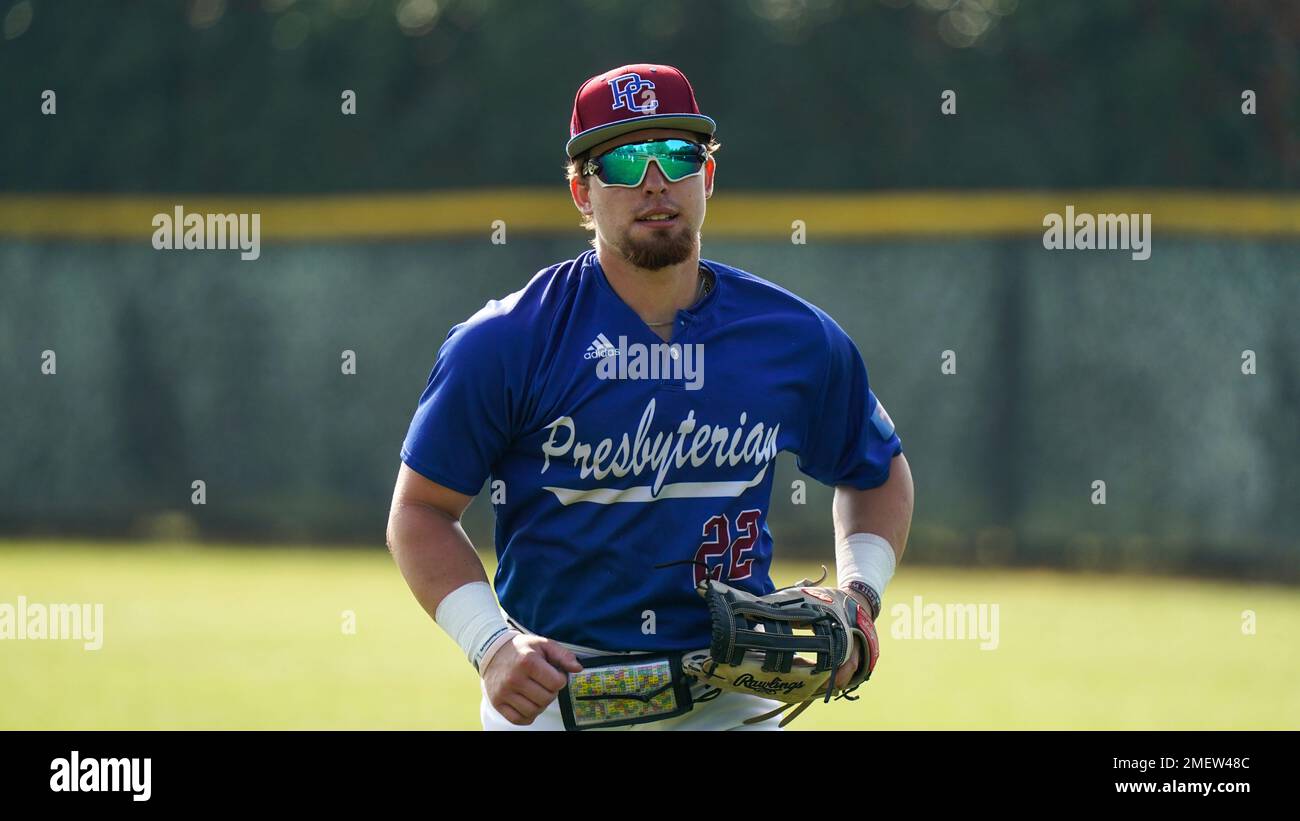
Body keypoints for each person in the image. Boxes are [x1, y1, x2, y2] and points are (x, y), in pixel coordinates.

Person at [386, 63, 914, 731]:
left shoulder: (794, 338)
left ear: (708, 178)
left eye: (677, 154)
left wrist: (859, 593)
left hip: (734, 695)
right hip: (558, 695)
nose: (655, 180)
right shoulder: (506, 341)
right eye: (625, 160)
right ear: (582, 190)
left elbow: (878, 472)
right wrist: (489, 643)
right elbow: (420, 511)